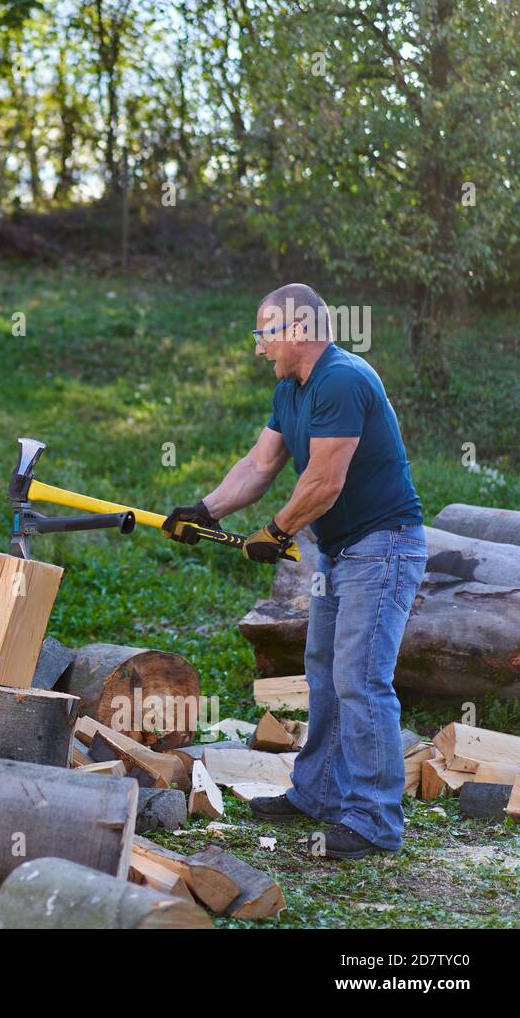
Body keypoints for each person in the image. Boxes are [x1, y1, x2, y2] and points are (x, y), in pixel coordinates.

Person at [164, 283, 426, 859]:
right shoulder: (292, 390)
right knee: (326, 671)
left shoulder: (342, 379)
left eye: (264, 333)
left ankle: (375, 822)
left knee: (360, 680)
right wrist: (205, 510)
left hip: (383, 548)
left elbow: (325, 483)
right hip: (340, 553)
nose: (259, 348)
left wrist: (278, 531)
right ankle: (320, 793)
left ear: (298, 331)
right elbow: (259, 464)